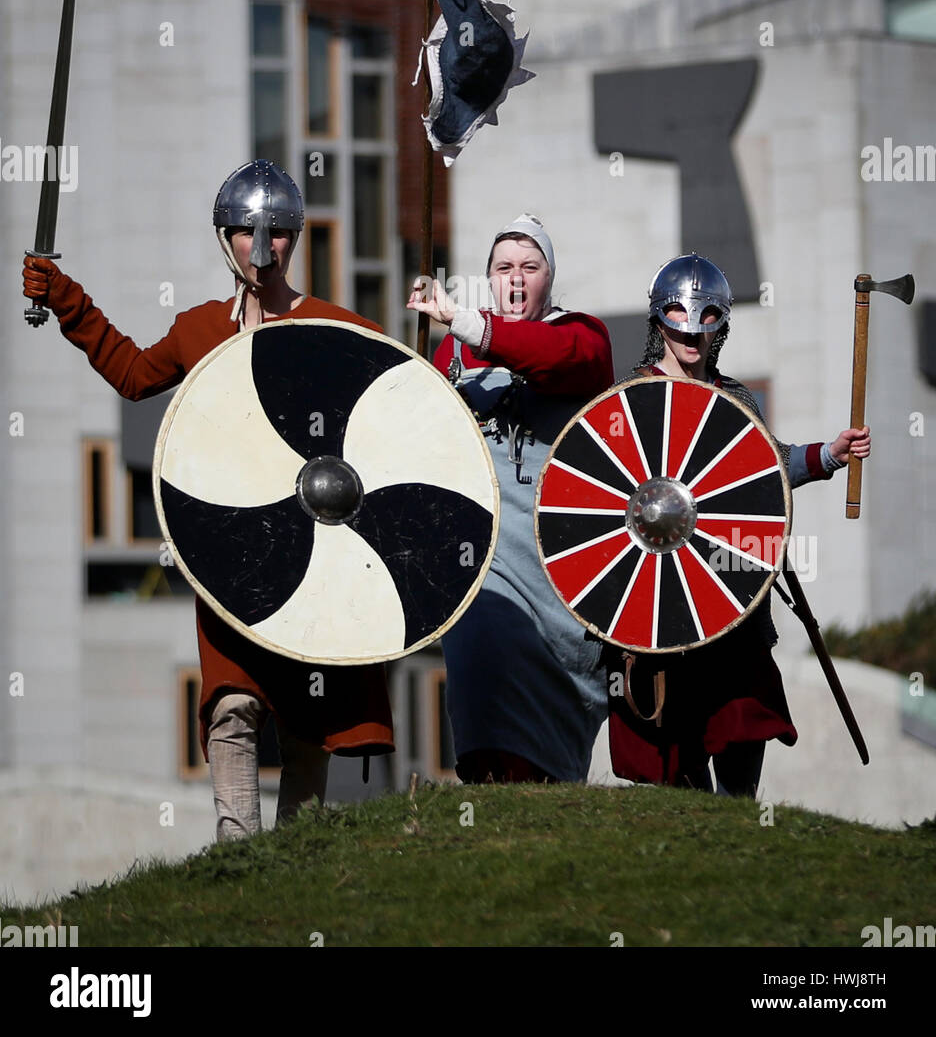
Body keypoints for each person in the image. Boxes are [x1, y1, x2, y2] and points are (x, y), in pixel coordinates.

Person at [23, 159, 393, 839]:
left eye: (279, 232)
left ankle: (300, 851)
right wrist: (67, 300)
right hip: (233, 550)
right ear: (224, 239)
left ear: (295, 239)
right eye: (247, 231)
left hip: (316, 553)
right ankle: (238, 848)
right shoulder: (198, 330)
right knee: (232, 703)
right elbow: (135, 374)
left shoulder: (340, 330)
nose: (263, 246)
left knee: (309, 713)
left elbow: (395, 412)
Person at [605, 253, 871, 797]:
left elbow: (766, 471)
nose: (691, 335)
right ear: (659, 322)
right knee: (680, 776)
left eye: (705, 322)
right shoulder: (629, 399)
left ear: (720, 326)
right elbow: (601, 494)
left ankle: (742, 846)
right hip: (661, 607)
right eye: (678, 319)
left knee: (740, 756)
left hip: (730, 597)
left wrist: (829, 455)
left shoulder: (736, 400)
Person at [407, 213, 614, 784]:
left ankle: (543, 832)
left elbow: (552, 358)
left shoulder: (583, 336)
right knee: (484, 673)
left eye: (530, 266)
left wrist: (465, 321)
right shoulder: (453, 351)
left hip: (564, 568)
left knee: (560, 741)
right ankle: (488, 814)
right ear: (490, 278)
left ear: (550, 277)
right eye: (504, 268)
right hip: (484, 564)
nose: (516, 280)